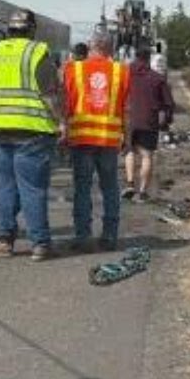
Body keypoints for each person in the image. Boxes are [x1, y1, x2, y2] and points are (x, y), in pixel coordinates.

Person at [0, 9, 63, 261]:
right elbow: (49, 95)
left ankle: (4, 240)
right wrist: (60, 121)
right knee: (32, 189)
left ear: (9, 29)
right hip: (30, 130)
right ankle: (40, 244)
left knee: (4, 187)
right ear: (31, 30)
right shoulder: (37, 53)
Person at [64, 33, 130, 252]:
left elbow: (66, 103)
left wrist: (64, 131)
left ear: (92, 47)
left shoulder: (73, 69)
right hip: (109, 140)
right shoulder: (122, 71)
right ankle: (110, 236)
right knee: (110, 187)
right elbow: (126, 108)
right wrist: (127, 136)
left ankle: (83, 236)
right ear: (110, 50)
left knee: (82, 188)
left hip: (81, 139)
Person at [123, 44, 174, 203]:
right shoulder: (157, 78)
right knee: (146, 155)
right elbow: (169, 104)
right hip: (149, 120)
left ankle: (130, 184)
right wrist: (166, 122)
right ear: (148, 59)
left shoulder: (125, 74)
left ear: (135, 57)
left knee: (129, 151)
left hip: (130, 119)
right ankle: (143, 192)